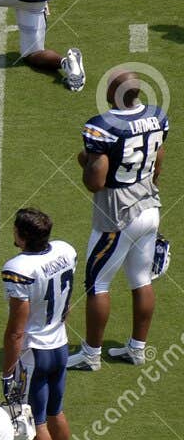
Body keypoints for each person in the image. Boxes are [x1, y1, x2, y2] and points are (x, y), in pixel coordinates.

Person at [72, 73, 168, 370]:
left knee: (97, 284)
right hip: (149, 206)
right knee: (141, 279)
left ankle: (90, 355)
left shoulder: (103, 126)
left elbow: (95, 182)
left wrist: (85, 161)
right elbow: (157, 162)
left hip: (117, 216)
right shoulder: (156, 116)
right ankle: (137, 349)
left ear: (113, 92)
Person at [0, 208, 75, 440]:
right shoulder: (65, 251)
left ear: (23, 236)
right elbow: (67, 303)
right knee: (56, 411)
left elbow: (16, 331)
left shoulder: (18, 268)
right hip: (60, 344)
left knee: (35, 423)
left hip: (35, 353)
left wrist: (7, 372)